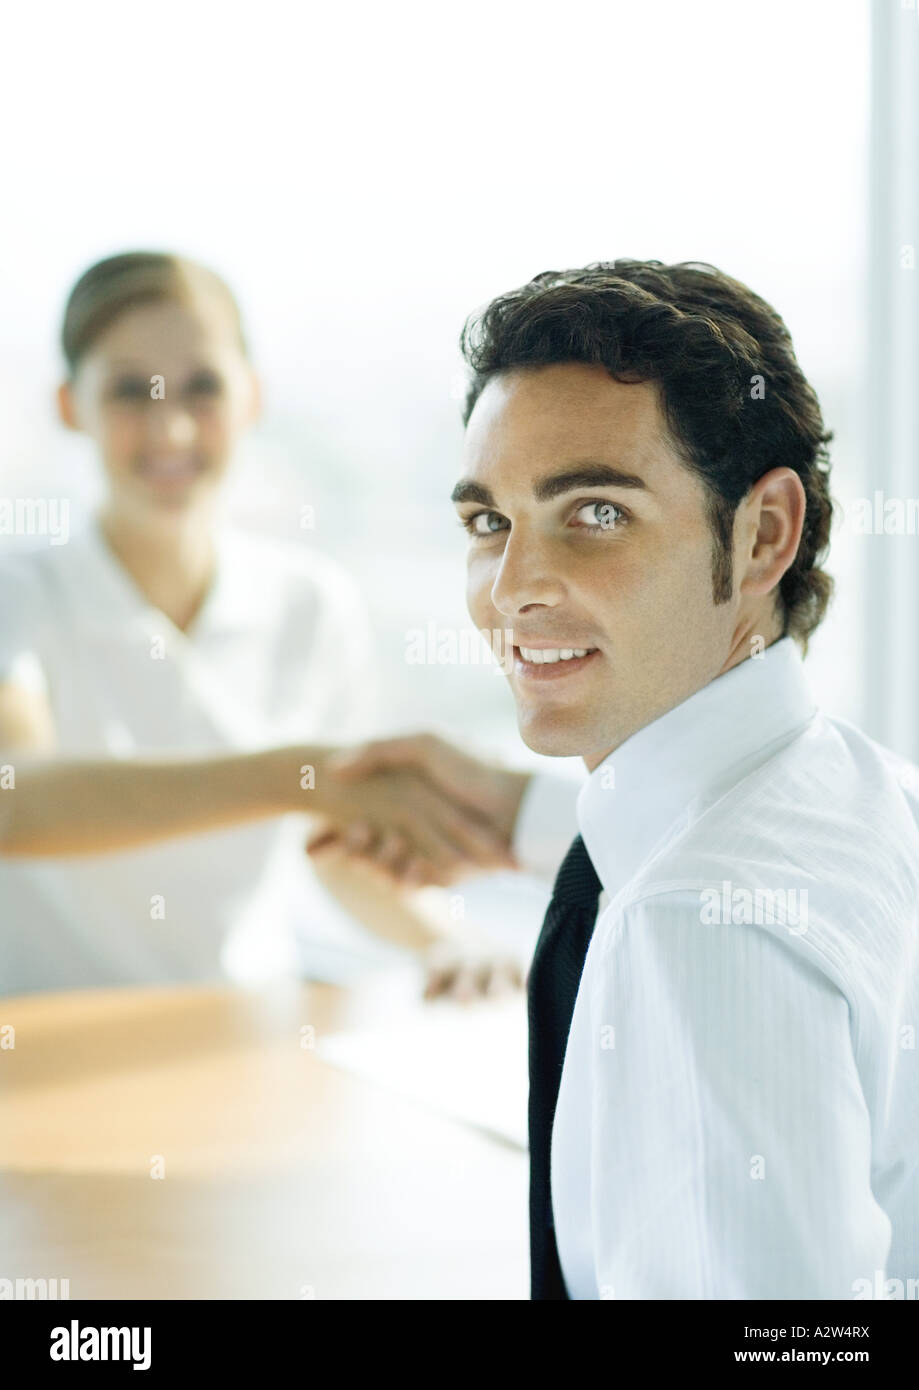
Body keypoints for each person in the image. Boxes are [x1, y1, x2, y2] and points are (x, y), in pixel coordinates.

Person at [316, 259, 919, 1300]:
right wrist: (510, 812)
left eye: (594, 513)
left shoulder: (691, 926)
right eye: (487, 522)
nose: (510, 590)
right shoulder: (861, 791)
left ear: (763, 532)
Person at [0, 251, 548, 997]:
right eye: (131, 390)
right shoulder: (21, 593)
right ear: (69, 406)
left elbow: (334, 850)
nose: (170, 428)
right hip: (49, 1045)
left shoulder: (308, 605)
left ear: (252, 398)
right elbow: (15, 799)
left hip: (240, 1038)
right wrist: (297, 776)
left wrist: (445, 942)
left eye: (203, 388)